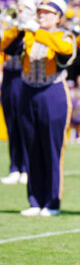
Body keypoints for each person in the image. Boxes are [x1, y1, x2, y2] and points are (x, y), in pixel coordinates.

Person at [5, 0, 74, 216]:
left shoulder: (65, 35)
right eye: (40, 12)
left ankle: (52, 201)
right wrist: (17, 28)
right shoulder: (29, 33)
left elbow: (65, 51)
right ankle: (35, 200)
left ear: (57, 17)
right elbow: (5, 47)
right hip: (28, 91)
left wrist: (38, 31)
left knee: (51, 147)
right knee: (31, 145)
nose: (41, 15)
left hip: (52, 92)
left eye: (47, 13)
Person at [0, 10, 28, 185]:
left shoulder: (30, 32)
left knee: (24, 126)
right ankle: (14, 167)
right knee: (11, 125)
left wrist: (21, 29)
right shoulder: (8, 33)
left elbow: (18, 49)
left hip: (23, 77)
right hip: (9, 78)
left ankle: (26, 168)